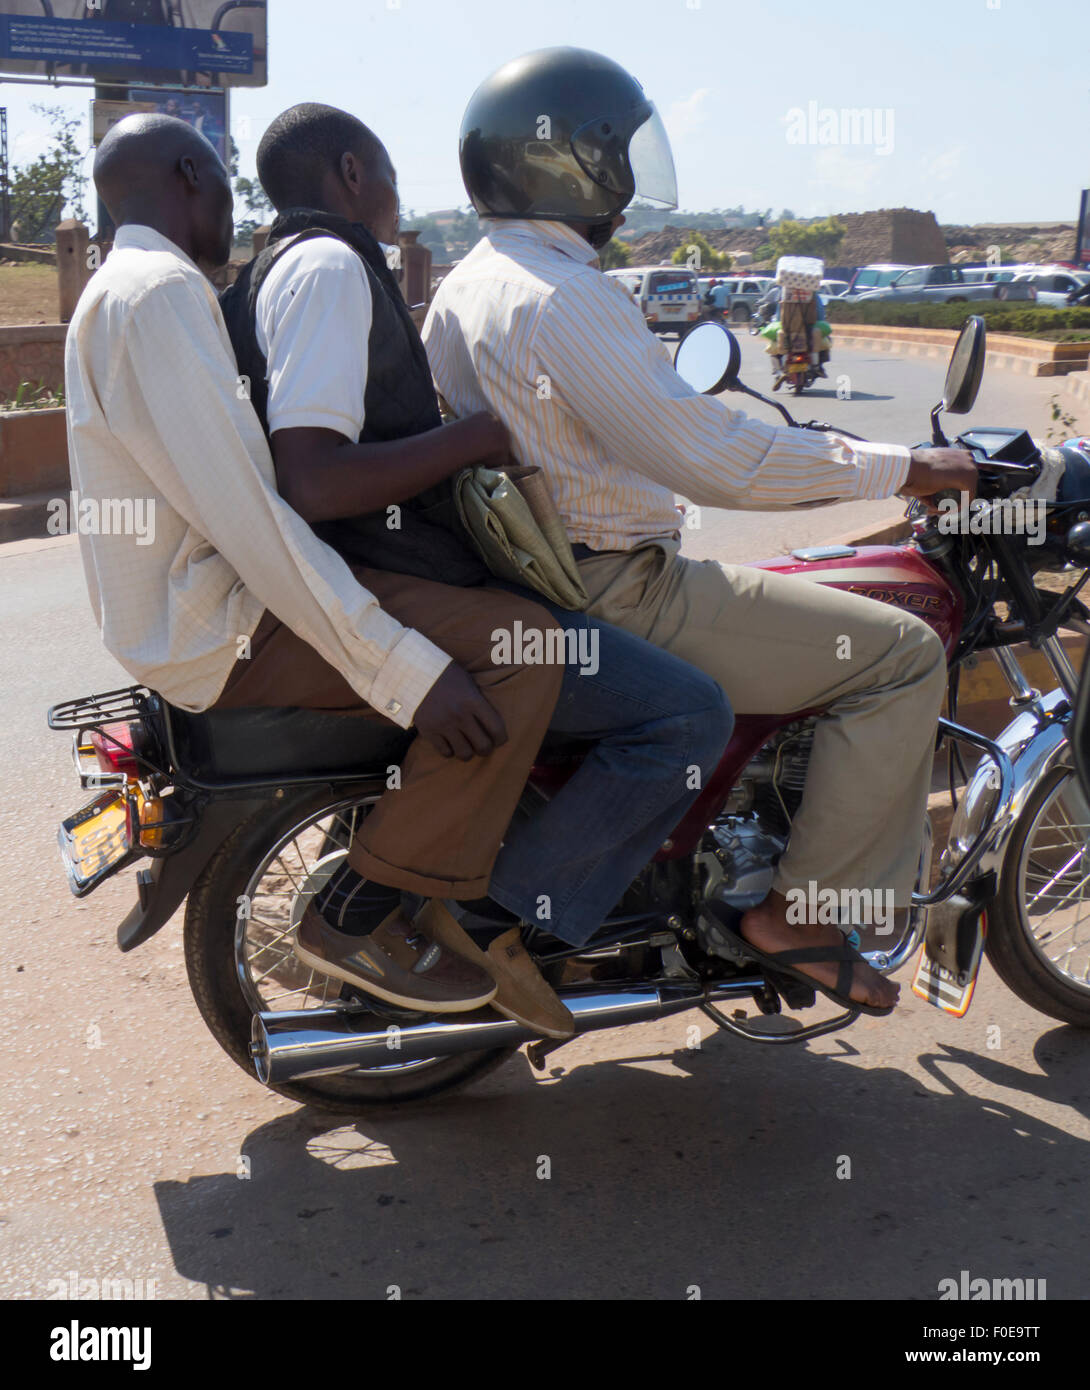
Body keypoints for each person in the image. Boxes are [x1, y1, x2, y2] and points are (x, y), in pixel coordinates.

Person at [68, 114, 732, 1040]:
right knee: (529, 652)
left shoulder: (143, 289)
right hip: (224, 621)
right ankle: (366, 914)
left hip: (207, 613)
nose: (236, 205)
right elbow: (263, 513)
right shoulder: (167, 293)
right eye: (219, 183)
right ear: (189, 173)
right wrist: (406, 669)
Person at [423, 47, 981, 1016]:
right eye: (620, 153)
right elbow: (716, 459)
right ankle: (799, 916)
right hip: (619, 588)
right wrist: (904, 465)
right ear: (575, 160)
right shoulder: (566, 297)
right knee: (895, 651)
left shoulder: (471, 283)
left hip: (530, 580)